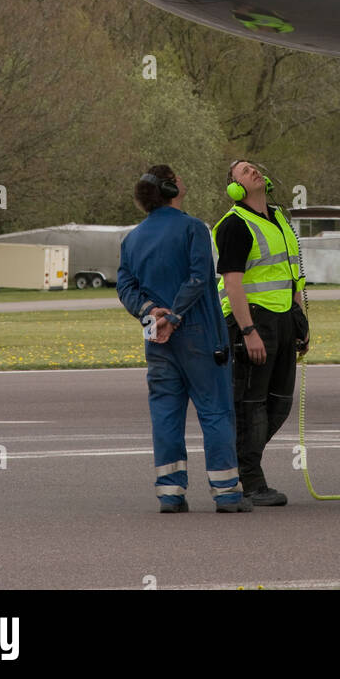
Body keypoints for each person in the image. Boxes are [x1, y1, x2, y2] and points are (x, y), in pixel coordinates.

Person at [116, 164, 251, 514]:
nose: (182, 180)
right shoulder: (193, 229)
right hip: (199, 333)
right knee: (215, 411)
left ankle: (170, 492)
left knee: (165, 413)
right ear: (170, 188)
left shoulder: (132, 239)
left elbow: (125, 286)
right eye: (178, 178)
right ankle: (226, 492)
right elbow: (198, 278)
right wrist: (173, 316)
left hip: (155, 336)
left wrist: (152, 314)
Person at [213, 159, 309, 506]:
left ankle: (239, 464)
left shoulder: (279, 219)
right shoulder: (235, 225)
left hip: (283, 320)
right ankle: (250, 481)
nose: (253, 171)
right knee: (250, 405)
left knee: (278, 405)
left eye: (254, 167)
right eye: (243, 171)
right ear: (235, 187)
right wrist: (248, 331)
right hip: (251, 321)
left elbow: (290, 275)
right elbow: (232, 283)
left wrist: (300, 321)